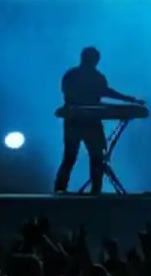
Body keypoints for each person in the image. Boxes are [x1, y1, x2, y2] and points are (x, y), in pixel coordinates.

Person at [54, 46, 143, 195]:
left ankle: (93, 190)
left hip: (86, 120)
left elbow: (106, 91)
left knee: (94, 156)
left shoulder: (88, 76)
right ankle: (63, 189)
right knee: (74, 156)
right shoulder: (75, 75)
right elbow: (72, 94)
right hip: (77, 119)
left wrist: (128, 99)